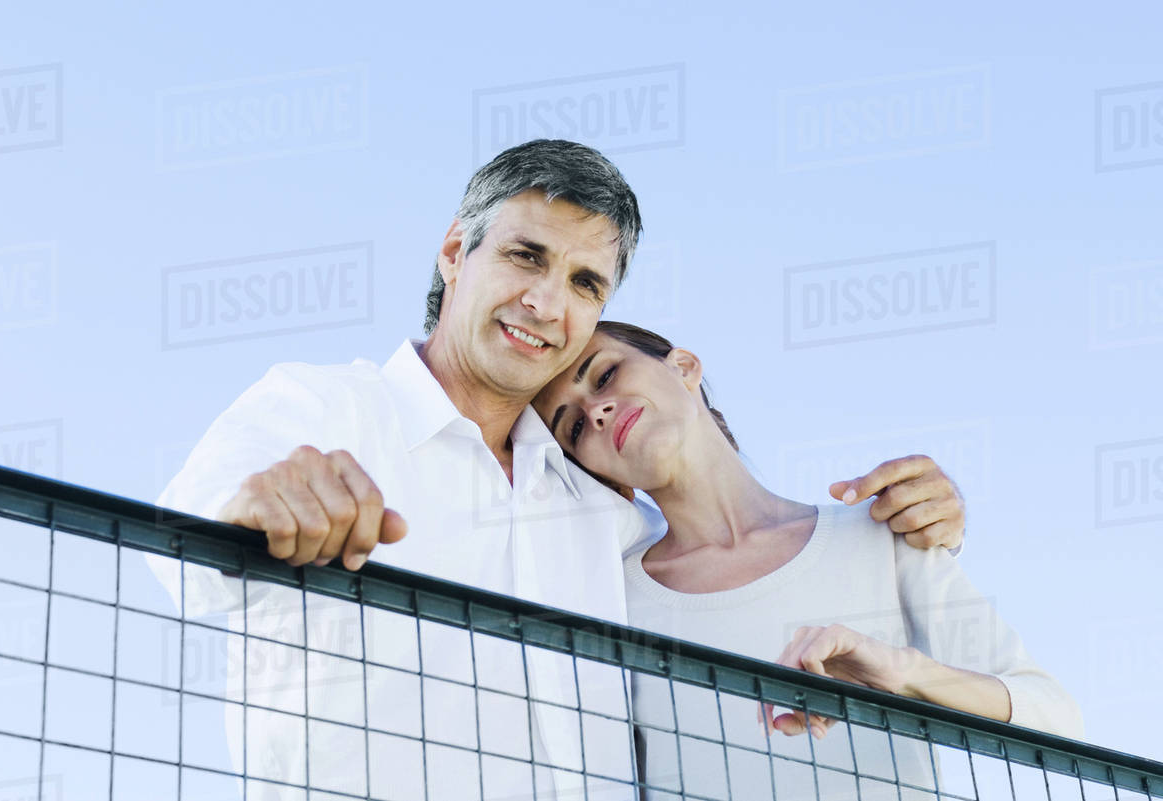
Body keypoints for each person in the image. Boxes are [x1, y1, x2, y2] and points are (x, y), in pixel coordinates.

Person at [154, 140, 969, 800]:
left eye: (585, 282)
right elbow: (182, 544)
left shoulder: (602, 501)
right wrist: (256, 506)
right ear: (453, 252)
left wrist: (922, 516)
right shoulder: (322, 406)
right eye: (525, 256)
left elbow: (738, 564)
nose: (547, 303)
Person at [531, 321, 1083, 800]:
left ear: (684, 367)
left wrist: (905, 675)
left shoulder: (875, 535)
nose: (596, 411)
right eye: (573, 427)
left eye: (604, 375)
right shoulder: (607, 597)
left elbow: (1054, 716)